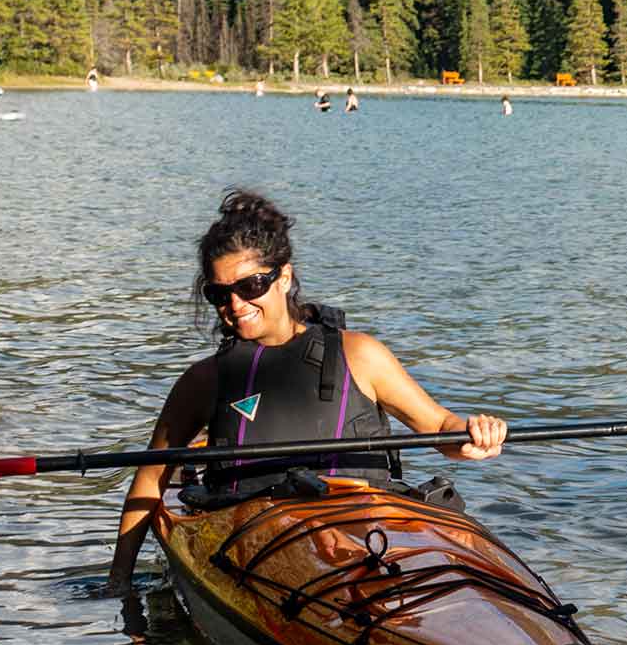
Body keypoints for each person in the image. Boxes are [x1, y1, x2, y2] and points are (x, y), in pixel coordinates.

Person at [108, 191, 507, 593]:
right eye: (218, 293)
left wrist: (474, 436)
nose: (234, 303)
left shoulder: (360, 354)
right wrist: (119, 584)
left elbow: (440, 427)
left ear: (283, 277)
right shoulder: (204, 380)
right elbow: (150, 480)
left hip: (367, 541)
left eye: (250, 286)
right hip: (254, 550)